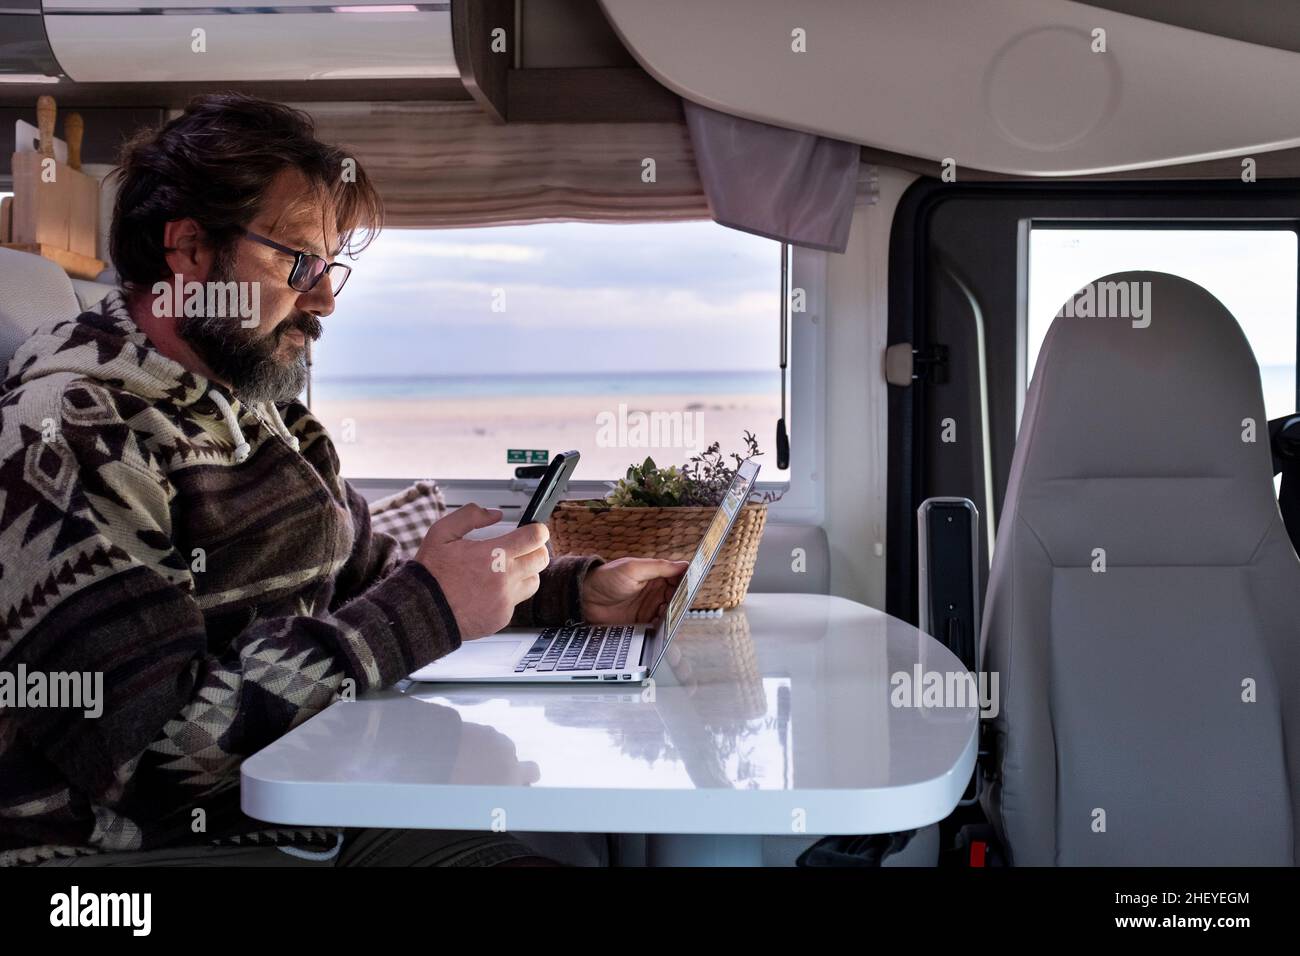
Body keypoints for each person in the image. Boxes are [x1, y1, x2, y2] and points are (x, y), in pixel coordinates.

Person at [0, 93, 686, 867]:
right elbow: (157, 755)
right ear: (188, 251)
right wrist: (426, 607)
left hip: (309, 793)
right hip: (143, 853)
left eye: (330, 267)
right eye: (299, 262)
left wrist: (569, 593)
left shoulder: (263, 411)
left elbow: (365, 578)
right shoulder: (71, 435)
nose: (323, 299)